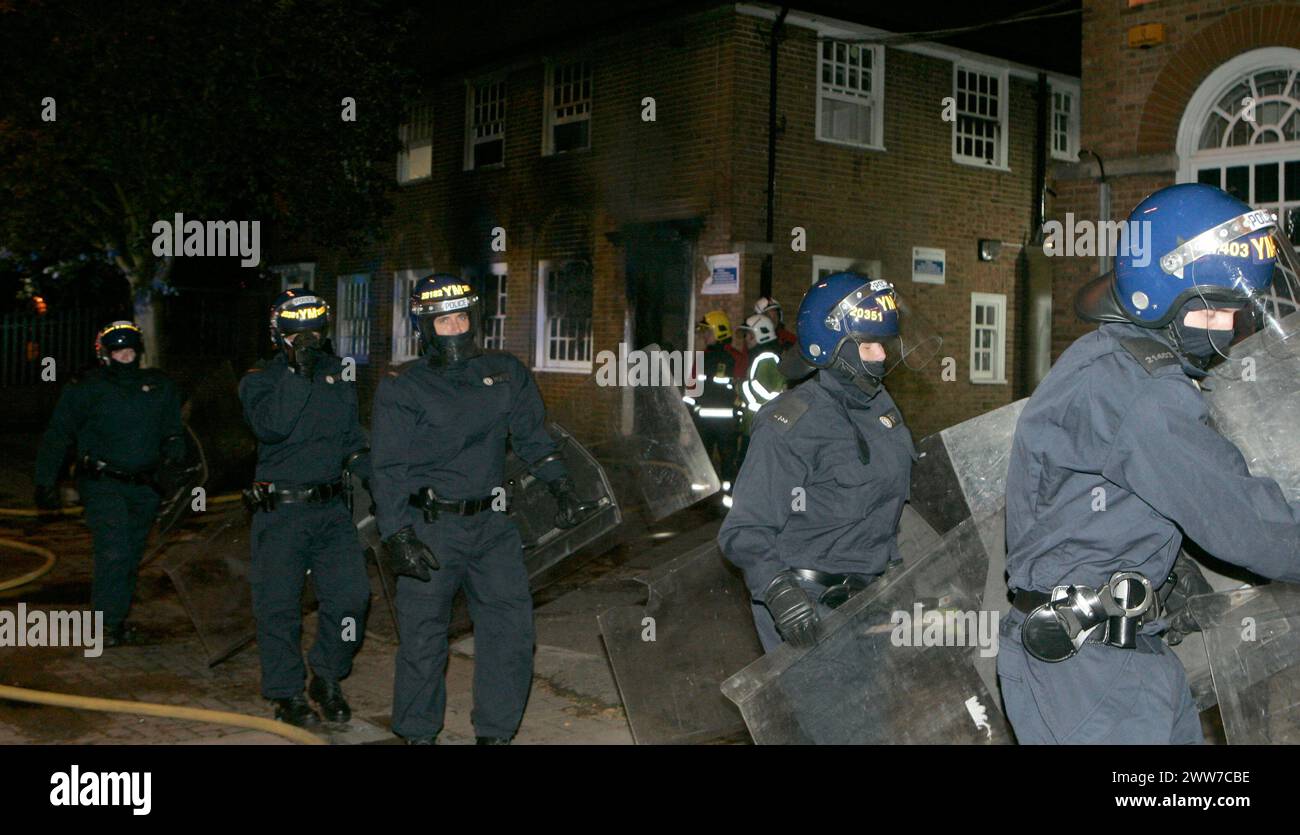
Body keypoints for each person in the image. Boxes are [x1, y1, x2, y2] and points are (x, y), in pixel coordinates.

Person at [998, 183, 1300, 744]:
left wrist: (1160, 570)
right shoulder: (1139, 389)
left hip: (1123, 652)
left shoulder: (1117, 361)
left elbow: (1101, 500)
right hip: (1087, 672)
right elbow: (1243, 522)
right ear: (1161, 293)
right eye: (1217, 312)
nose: (1230, 333)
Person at [371, 273, 591, 745]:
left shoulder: (505, 372)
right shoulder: (405, 388)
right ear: (425, 327)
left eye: (461, 318)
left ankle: (495, 733)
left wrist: (563, 487)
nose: (455, 328)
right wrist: (396, 534)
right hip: (429, 528)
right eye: (442, 321)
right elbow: (387, 467)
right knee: (424, 640)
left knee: (510, 634)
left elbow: (533, 437)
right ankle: (417, 734)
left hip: (492, 527)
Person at [719, 274, 939, 652]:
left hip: (871, 602)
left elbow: (894, 501)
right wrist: (779, 593)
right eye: (869, 346)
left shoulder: (879, 407)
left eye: (883, 345)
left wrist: (914, 575)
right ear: (831, 348)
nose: (882, 356)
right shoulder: (792, 423)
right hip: (808, 608)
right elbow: (745, 529)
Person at [238, 289, 371, 728]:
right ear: (280, 336)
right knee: (278, 608)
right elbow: (272, 426)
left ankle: (327, 676)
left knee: (352, 598)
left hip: (331, 510)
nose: (309, 341)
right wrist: (297, 372)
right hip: (281, 511)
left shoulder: (340, 375)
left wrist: (380, 476)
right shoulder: (261, 378)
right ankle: (285, 692)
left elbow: (350, 440)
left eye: (315, 332)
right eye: (299, 335)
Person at [34, 320, 187, 647]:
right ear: (105, 354)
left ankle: (115, 621)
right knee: (114, 551)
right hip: (103, 483)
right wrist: (45, 481)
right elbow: (58, 435)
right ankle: (103, 626)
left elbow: (172, 428)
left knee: (131, 554)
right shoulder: (86, 388)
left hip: (145, 486)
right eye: (118, 350)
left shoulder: (158, 386)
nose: (125, 356)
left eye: (130, 349)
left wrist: (176, 454)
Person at [687, 311, 743, 507]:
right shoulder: (701, 357)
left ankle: (730, 499)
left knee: (729, 462)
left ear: (719, 331)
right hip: (704, 422)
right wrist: (687, 416)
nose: (705, 336)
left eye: (707, 332)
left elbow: (741, 389)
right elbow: (692, 389)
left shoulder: (735, 358)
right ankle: (702, 499)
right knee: (702, 462)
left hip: (726, 423)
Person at [736, 313, 784, 462]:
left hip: (760, 425)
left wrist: (739, 386)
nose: (746, 339)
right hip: (757, 425)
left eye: (749, 335)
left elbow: (764, 393)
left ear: (761, 334)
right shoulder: (762, 357)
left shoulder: (766, 358)